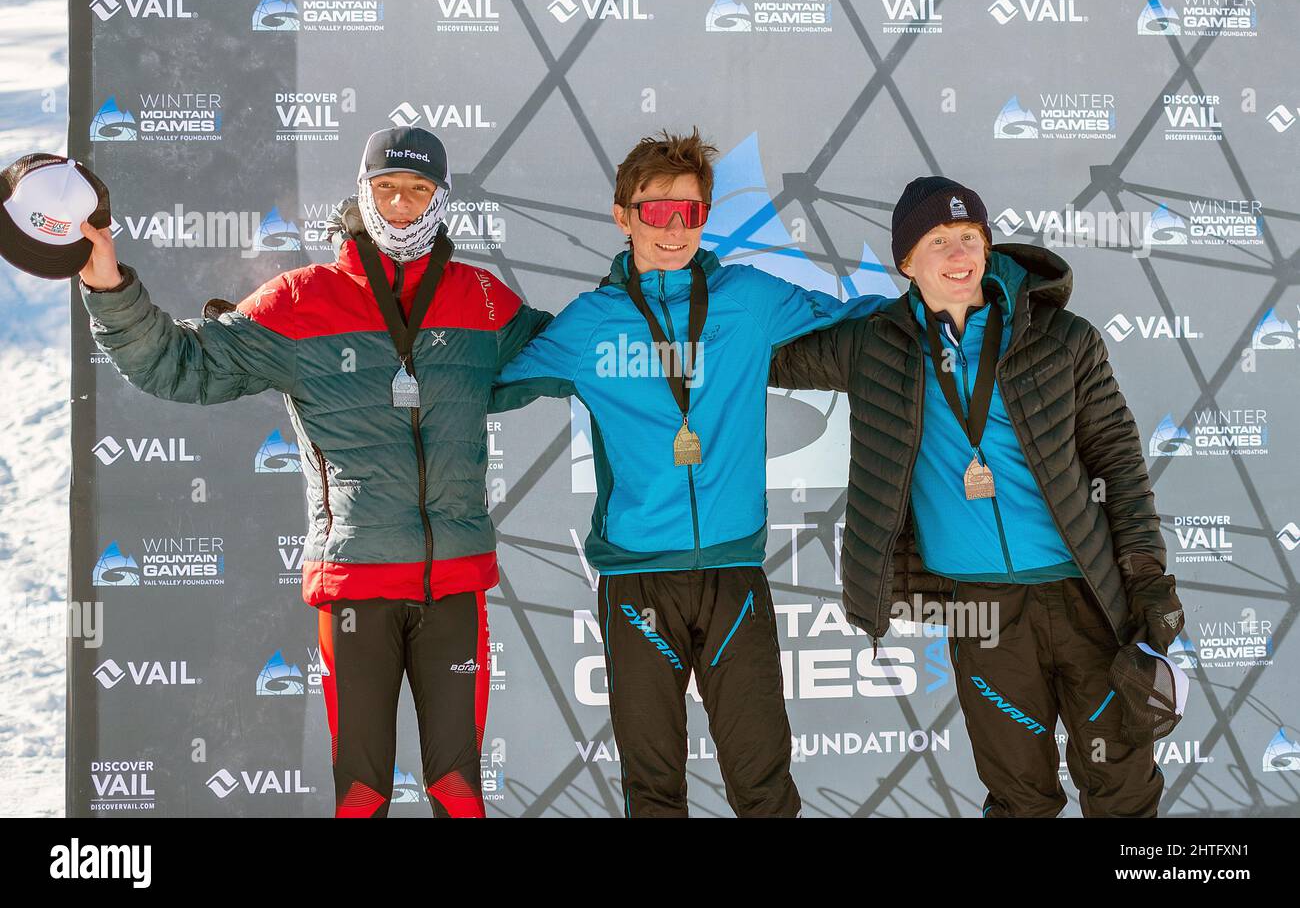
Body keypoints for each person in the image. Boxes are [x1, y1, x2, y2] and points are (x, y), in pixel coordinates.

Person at [78, 127, 551, 818]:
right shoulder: (303, 300)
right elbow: (180, 364)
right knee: (361, 795)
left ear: (441, 200)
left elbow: (568, 355)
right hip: (356, 582)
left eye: (418, 190)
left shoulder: (481, 298)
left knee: (458, 790)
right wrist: (108, 285)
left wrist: (667, 315)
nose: (400, 205)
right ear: (362, 192)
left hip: (455, 585)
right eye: (386, 188)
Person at [490, 128, 886, 817]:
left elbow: (861, 322)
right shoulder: (591, 325)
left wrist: (974, 301)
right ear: (623, 216)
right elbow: (487, 384)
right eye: (656, 212)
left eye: (691, 213)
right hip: (636, 580)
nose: (674, 229)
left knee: (764, 785)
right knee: (654, 791)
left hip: (734, 575)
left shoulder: (751, 299)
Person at [768, 176, 1185, 817]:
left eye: (970, 237)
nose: (960, 253)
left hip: (1088, 598)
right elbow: (755, 355)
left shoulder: (1064, 339)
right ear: (905, 262)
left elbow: (1121, 470)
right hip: (981, 613)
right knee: (1019, 798)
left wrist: (1149, 582)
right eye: (939, 241)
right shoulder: (874, 346)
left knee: (1123, 791)